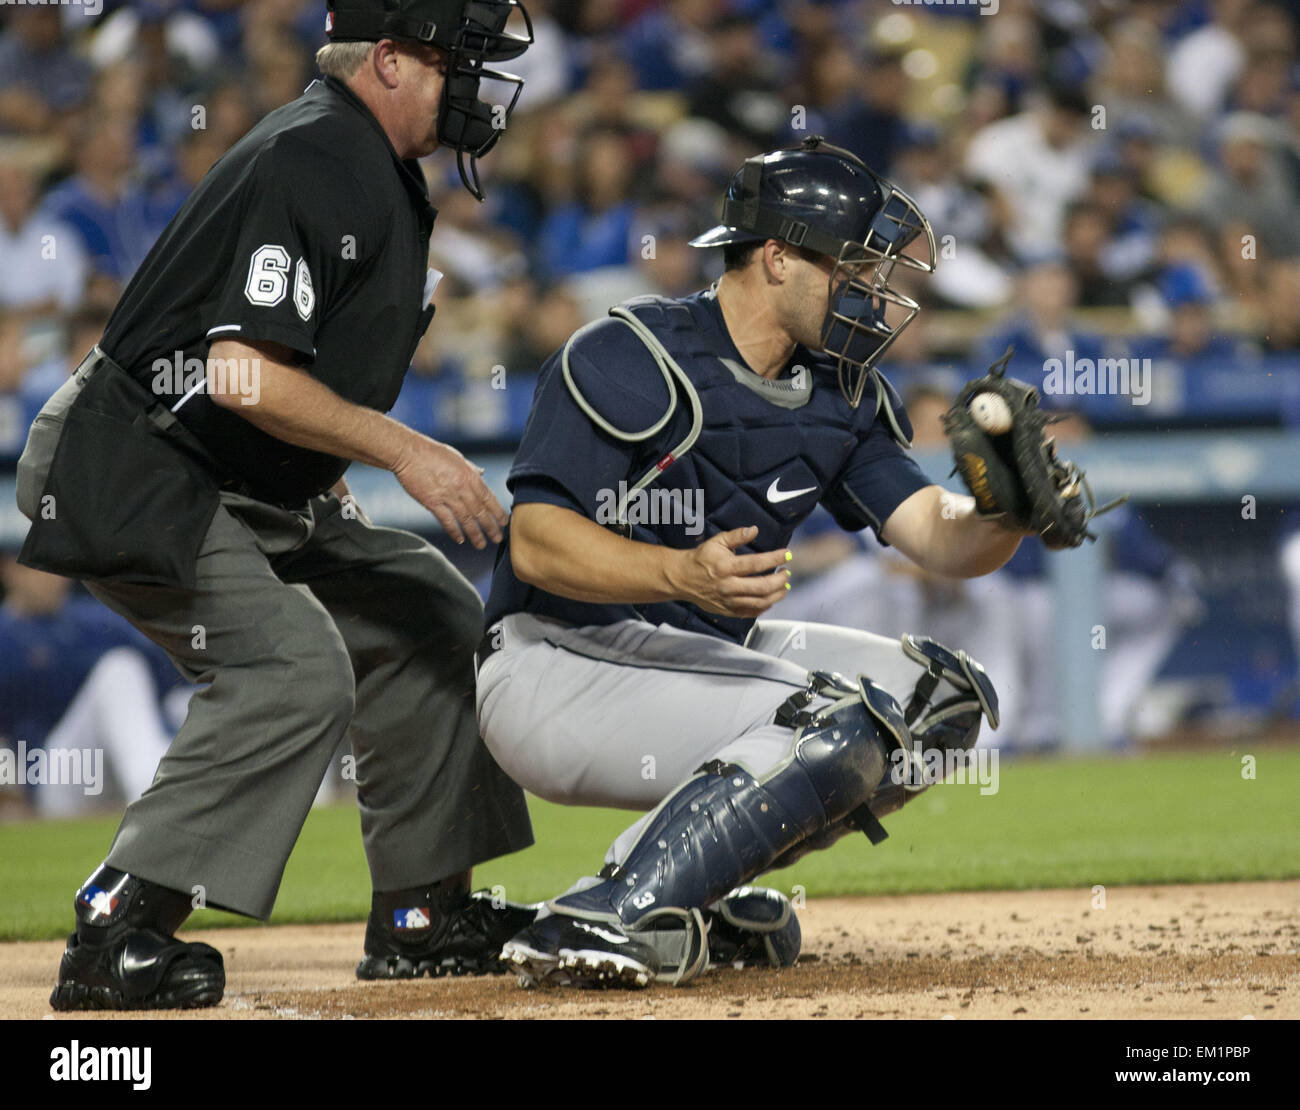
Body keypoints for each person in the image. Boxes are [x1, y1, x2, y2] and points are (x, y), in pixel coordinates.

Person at [15, 0, 537, 1012]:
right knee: (290, 669)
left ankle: (422, 918)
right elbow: (243, 377)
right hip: (135, 461)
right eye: (454, 62)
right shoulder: (315, 153)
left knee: (426, 609)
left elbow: (287, 369)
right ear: (386, 61)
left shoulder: (369, 161)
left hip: (235, 473)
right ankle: (118, 928)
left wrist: (319, 462)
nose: (476, 87)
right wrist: (405, 451)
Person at [474, 138, 1032, 989]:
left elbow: (937, 536)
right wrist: (678, 575)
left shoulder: (839, 387)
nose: (873, 290)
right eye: (853, 266)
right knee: (835, 721)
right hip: (554, 665)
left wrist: (1004, 510)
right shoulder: (630, 352)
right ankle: (610, 911)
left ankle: (690, 891)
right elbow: (536, 542)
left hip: (693, 666)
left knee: (940, 704)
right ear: (777, 257)